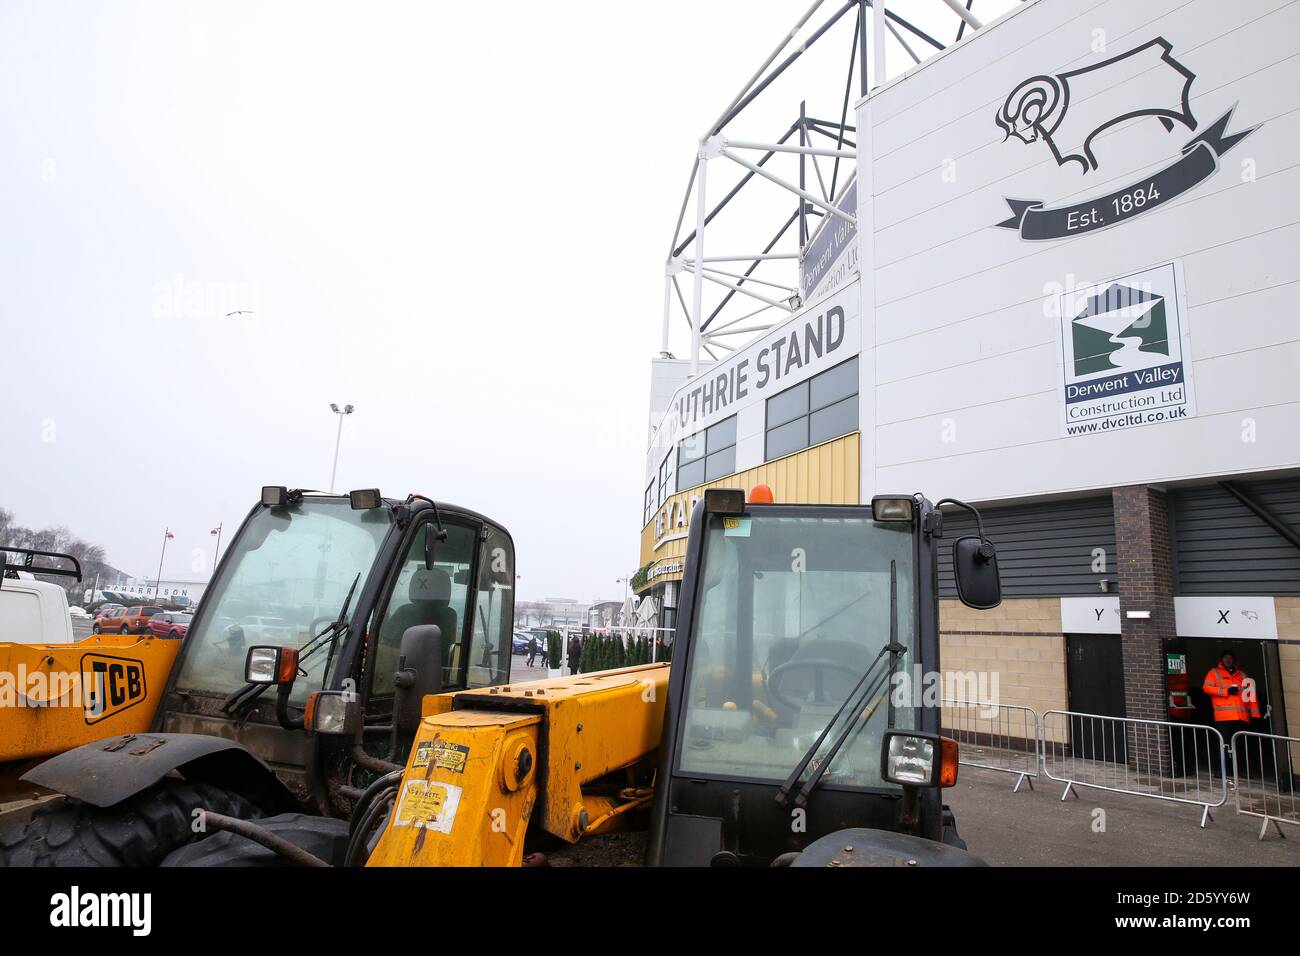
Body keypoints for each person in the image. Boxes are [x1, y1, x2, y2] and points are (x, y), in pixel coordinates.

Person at [1202, 651, 1261, 769]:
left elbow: (1251, 696)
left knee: (1240, 745)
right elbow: (1206, 688)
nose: (1228, 660)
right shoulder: (1214, 673)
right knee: (1223, 744)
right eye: (1225, 658)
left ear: (1234, 660)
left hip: (1240, 717)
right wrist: (1225, 691)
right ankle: (1221, 770)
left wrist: (1255, 715)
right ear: (1221, 659)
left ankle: (1240, 770)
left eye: (1230, 658)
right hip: (1223, 717)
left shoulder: (1243, 675)